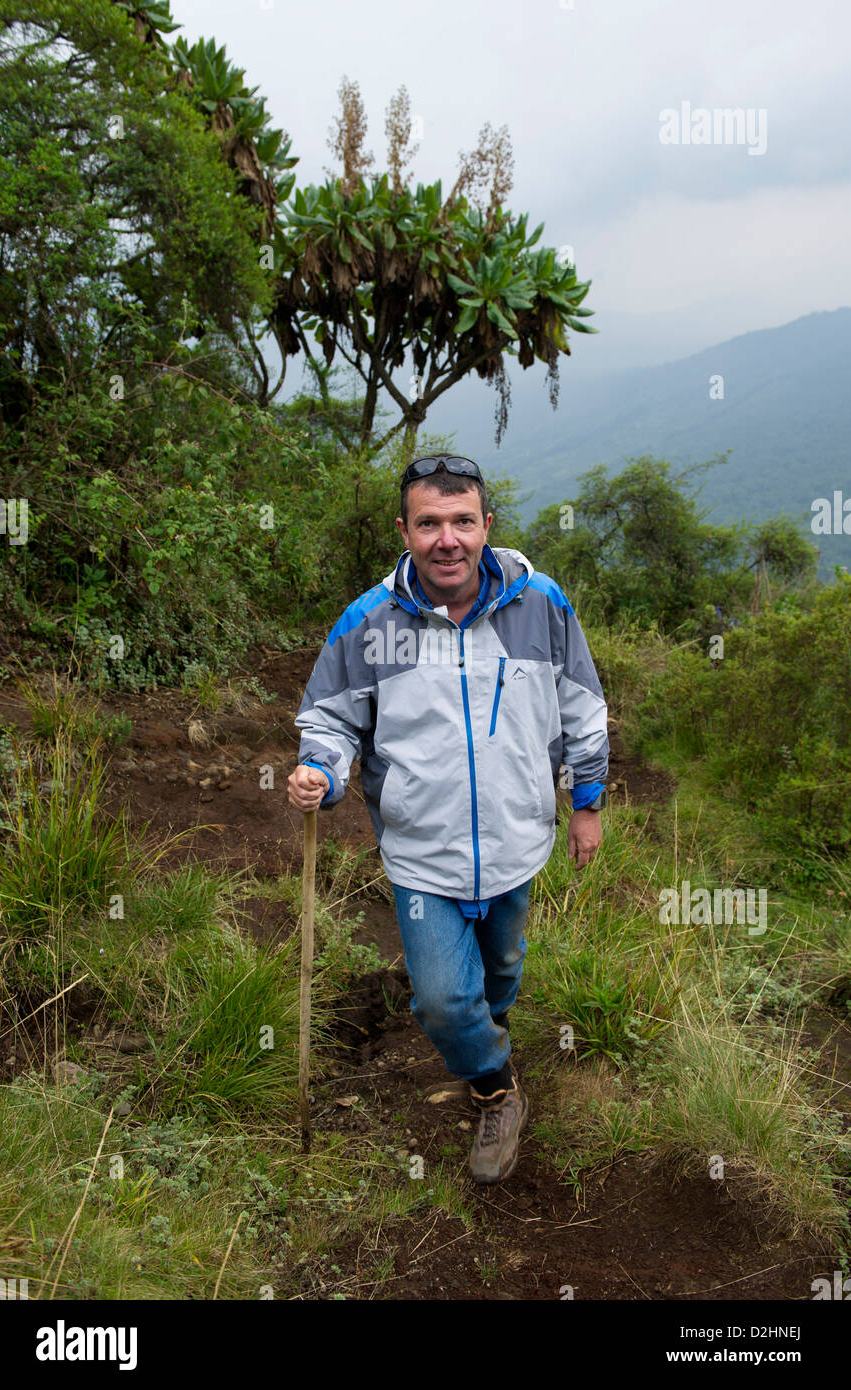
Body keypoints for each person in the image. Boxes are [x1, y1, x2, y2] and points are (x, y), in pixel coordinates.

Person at [287, 454, 608, 1184]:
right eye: (428, 524)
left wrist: (585, 803)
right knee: (437, 996)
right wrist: (321, 771)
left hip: (517, 839)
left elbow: (582, 710)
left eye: (462, 522)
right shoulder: (369, 621)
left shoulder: (541, 605)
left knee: (500, 973)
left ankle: (482, 1040)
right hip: (419, 848)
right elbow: (333, 720)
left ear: (486, 527)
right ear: (404, 531)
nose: (447, 540)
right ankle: (496, 1088)